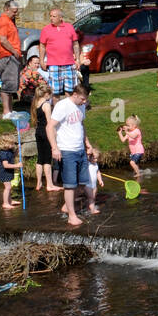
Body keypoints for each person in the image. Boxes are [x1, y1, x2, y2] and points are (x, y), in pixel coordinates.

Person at [47, 84, 93, 226]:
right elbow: (49, 127)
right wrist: (55, 148)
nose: (85, 102)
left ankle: (67, 206)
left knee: (83, 182)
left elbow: (81, 125)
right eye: (83, 99)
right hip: (67, 150)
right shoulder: (62, 106)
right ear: (75, 94)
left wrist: (87, 143)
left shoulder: (81, 106)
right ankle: (71, 216)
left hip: (80, 149)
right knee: (70, 185)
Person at [39, 5, 80, 96]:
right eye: (50, 16)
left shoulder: (69, 27)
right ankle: (56, 109)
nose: (51, 18)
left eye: (54, 16)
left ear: (60, 17)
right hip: (53, 64)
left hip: (69, 63)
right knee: (55, 92)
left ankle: (69, 109)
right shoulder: (46, 30)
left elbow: (75, 44)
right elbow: (42, 46)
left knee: (71, 91)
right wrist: (41, 61)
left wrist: (77, 59)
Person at [30, 81, 61, 192]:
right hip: (45, 132)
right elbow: (49, 123)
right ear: (46, 94)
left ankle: (39, 183)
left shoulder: (36, 102)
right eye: (50, 94)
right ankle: (50, 185)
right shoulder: (46, 105)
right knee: (47, 160)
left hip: (38, 131)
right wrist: (54, 134)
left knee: (40, 159)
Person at [0, 0, 23, 116]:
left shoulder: (9, 21)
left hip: (11, 55)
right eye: (14, 12)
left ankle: (10, 110)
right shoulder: (3, 21)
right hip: (7, 56)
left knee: (11, 85)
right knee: (7, 84)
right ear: (6, 9)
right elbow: (3, 40)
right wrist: (14, 52)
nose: (16, 14)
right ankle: (6, 112)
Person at [0, 132, 22, 209]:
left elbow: (13, 156)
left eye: (12, 143)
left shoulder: (9, 150)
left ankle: (10, 201)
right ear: (4, 143)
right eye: (11, 143)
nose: (12, 145)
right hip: (4, 172)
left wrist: (18, 149)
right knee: (7, 187)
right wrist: (17, 165)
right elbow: (6, 165)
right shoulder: (3, 153)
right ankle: (5, 203)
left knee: (9, 187)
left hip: (9, 172)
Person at [84, 145, 103, 215]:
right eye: (94, 158)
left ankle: (87, 206)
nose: (96, 160)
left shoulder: (96, 165)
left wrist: (100, 180)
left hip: (94, 185)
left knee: (93, 197)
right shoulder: (87, 163)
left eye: (97, 159)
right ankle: (92, 210)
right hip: (87, 185)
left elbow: (98, 172)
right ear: (90, 157)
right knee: (91, 197)